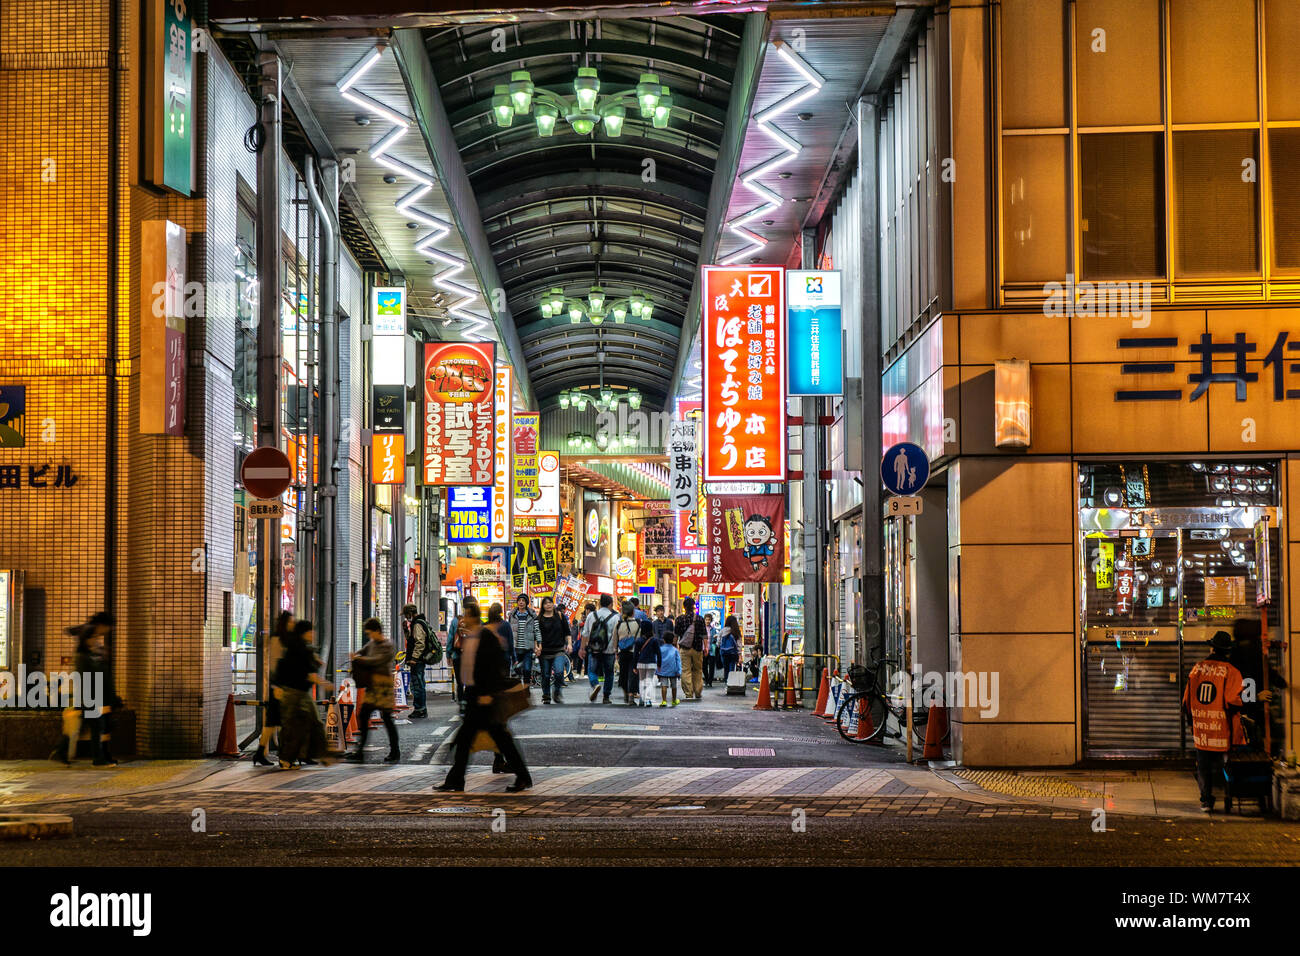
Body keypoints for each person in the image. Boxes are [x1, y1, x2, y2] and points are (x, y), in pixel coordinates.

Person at [434, 599, 532, 793]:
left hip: (485, 697)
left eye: (466, 615)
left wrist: (487, 694)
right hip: (474, 695)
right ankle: (456, 779)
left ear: (473, 617)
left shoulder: (485, 636)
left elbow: (494, 667)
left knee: (495, 739)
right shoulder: (473, 636)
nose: (463, 619)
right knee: (471, 738)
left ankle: (521, 776)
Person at [1182, 630, 1245, 813]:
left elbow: (1186, 701)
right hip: (1222, 729)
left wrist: (1192, 722)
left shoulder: (1197, 668)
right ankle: (1228, 798)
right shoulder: (1231, 671)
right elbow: (1232, 700)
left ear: (1212, 648)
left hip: (1201, 730)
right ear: (1227, 651)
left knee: (1203, 766)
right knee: (1225, 766)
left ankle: (1206, 801)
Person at [54, 612, 121, 766]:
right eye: (93, 639)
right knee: (96, 726)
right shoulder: (84, 656)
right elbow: (88, 676)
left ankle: (62, 751)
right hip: (90, 696)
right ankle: (98, 758)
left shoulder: (90, 653)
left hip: (94, 695)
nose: (96, 641)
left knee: (89, 725)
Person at [274, 621, 335, 769]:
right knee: (298, 725)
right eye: (310, 631)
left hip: (296, 691)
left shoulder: (297, 647)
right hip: (294, 693)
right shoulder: (300, 648)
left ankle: (311, 755)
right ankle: (289, 758)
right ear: (303, 633)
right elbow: (308, 674)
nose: (313, 634)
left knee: (302, 724)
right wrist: (325, 684)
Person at [345, 618, 401, 764]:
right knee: (364, 716)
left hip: (383, 686)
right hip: (372, 686)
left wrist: (359, 660)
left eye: (370, 633)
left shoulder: (388, 645)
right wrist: (356, 656)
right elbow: (362, 652)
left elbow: (377, 660)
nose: (369, 636)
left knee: (387, 719)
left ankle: (395, 752)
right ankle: (360, 752)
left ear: (377, 631)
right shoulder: (372, 643)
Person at [1229, 618, 1287, 753]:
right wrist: (1281, 682)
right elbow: (1266, 670)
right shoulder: (1253, 650)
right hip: (1254, 702)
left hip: (1241, 702)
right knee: (1270, 734)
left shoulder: (1234, 651)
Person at [251, 611, 293, 767]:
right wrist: (276, 685)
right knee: (280, 722)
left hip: (279, 686)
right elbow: (274, 665)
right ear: (285, 624)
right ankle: (283, 754)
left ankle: (260, 753)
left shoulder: (282, 640)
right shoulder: (276, 640)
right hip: (278, 687)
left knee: (272, 723)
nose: (292, 625)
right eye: (290, 622)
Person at [583, 594, 620, 703]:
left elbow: (585, 633)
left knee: (591, 670)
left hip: (594, 648)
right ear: (610, 604)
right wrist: (616, 649)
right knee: (609, 673)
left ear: (599, 604)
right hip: (609, 650)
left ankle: (595, 684)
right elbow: (617, 635)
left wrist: (582, 648)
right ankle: (606, 696)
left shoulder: (591, 616)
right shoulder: (615, 617)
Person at [402, 603, 435, 719]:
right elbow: (411, 640)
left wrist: (414, 658)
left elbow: (419, 643)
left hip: (418, 661)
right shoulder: (419, 623)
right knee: (418, 683)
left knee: (418, 684)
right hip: (418, 660)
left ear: (410, 613)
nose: (406, 618)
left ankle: (420, 709)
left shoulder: (417, 624)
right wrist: (406, 630)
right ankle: (421, 708)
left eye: (406, 615)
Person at [537, 595, 572, 704]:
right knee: (546, 675)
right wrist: (537, 646)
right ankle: (546, 695)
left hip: (559, 650)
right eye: (546, 603)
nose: (548, 605)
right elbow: (536, 634)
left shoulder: (560, 616)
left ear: (553, 604)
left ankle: (557, 691)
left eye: (550, 602)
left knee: (559, 672)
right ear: (542, 605)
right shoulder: (539, 619)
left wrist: (569, 644)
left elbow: (567, 632)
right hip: (544, 652)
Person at [674, 597, 708, 700]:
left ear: (684, 607)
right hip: (697, 648)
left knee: (686, 670)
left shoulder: (679, 619)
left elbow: (676, 635)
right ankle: (697, 692)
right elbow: (704, 635)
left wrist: (675, 647)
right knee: (698, 670)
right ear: (694, 607)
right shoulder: (700, 619)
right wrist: (706, 647)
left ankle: (689, 693)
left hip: (684, 649)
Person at [510, 594, 540, 688]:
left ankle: (526, 690)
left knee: (527, 670)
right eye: (519, 600)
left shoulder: (532, 615)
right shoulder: (512, 615)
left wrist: (538, 644)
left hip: (528, 648)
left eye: (523, 600)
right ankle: (518, 691)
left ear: (526, 602)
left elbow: (537, 630)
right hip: (516, 648)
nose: (521, 602)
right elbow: (509, 630)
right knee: (516, 671)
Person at [613, 601, 641, 705]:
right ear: (633, 612)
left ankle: (625, 693)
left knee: (623, 674)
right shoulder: (638, 623)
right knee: (633, 674)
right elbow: (640, 639)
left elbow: (615, 639)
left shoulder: (619, 624)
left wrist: (616, 651)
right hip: (634, 652)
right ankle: (631, 696)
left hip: (622, 653)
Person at [635, 614, 662, 707]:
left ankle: (642, 700)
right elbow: (658, 653)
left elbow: (635, 654)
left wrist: (635, 666)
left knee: (641, 681)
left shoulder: (638, 640)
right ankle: (648, 700)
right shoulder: (654, 640)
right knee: (649, 681)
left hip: (641, 663)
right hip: (651, 663)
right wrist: (659, 664)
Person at [657, 632, 682, 707]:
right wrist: (679, 671)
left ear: (664, 640)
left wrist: (657, 670)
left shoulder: (660, 649)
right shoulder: (675, 650)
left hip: (663, 670)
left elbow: (657, 659)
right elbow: (678, 661)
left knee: (664, 685)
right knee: (674, 686)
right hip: (673, 671)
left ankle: (664, 701)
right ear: (672, 640)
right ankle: (674, 700)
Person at [719, 615, 743, 680]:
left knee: (726, 667)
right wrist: (740, 654)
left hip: (724, 652)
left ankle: (726, 680)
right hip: (733, 652)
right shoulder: (736, 631)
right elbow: (739, 644)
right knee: (731, 667)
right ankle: (730, 681)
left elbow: (718, 642)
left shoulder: (723, 630)